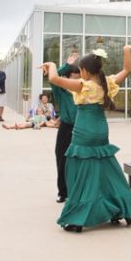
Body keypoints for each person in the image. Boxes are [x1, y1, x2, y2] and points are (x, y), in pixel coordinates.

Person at [44, 46, 131, 232]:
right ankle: (125, 209)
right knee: (107, 168)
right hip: (101, 130)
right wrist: (126, 50)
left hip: (84, 130)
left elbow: (54, 79)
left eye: (80, 70)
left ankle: (78, 217)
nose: (79, 74)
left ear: (86, 71)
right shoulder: (107, 82)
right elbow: (127, 69)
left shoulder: (85, 85)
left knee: (82, 170)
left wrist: (51, 64)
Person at [50, 50, 80, 203]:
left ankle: (79, 190)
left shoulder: (82, 90)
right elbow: (53, 78)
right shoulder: (61, 92)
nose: (76, 82)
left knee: (81, 160)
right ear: (67, 79)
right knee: (62, 158)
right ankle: (63, 192)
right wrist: (67, 65)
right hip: (66, 128)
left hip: (81, 129)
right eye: (74, 79)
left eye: (78, 79)